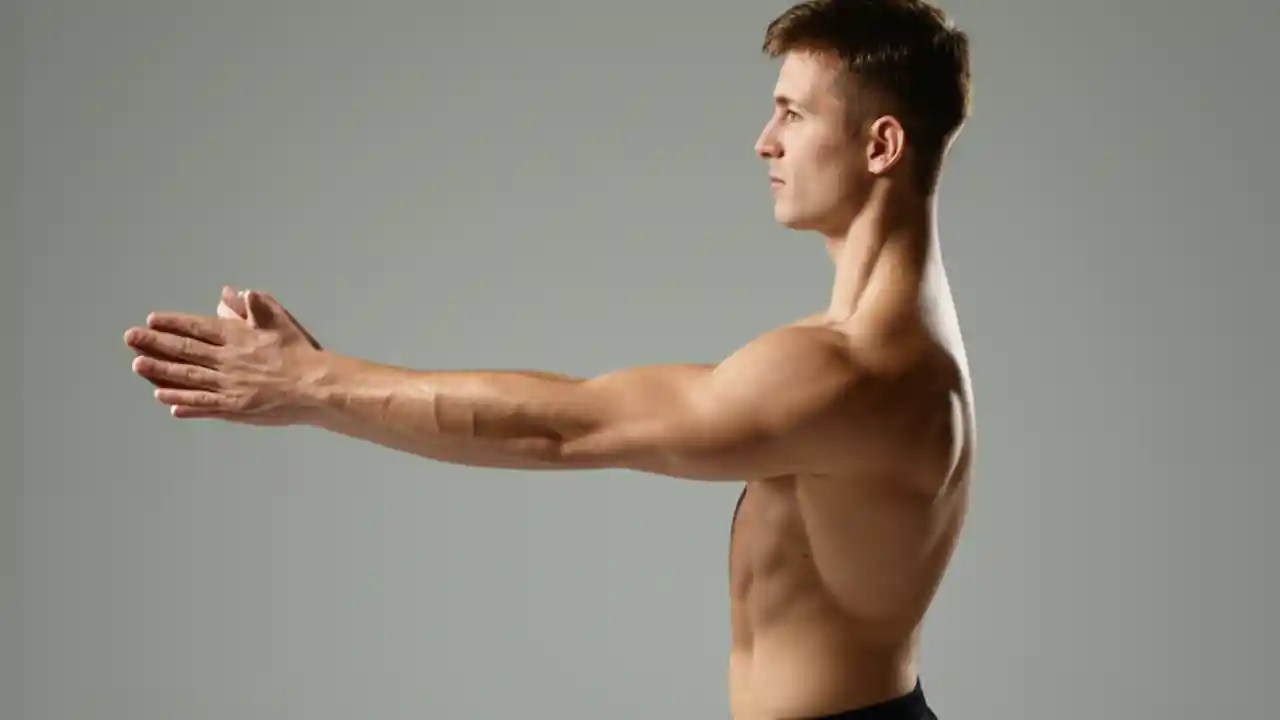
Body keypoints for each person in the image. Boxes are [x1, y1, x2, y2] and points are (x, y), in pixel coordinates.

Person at [122, 1, 973, 717]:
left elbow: (565, 428)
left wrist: (312, 383)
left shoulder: (856, 374)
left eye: (793, 112)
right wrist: (312, 387)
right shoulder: (883, 350)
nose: (764, 140)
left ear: (881, 145)